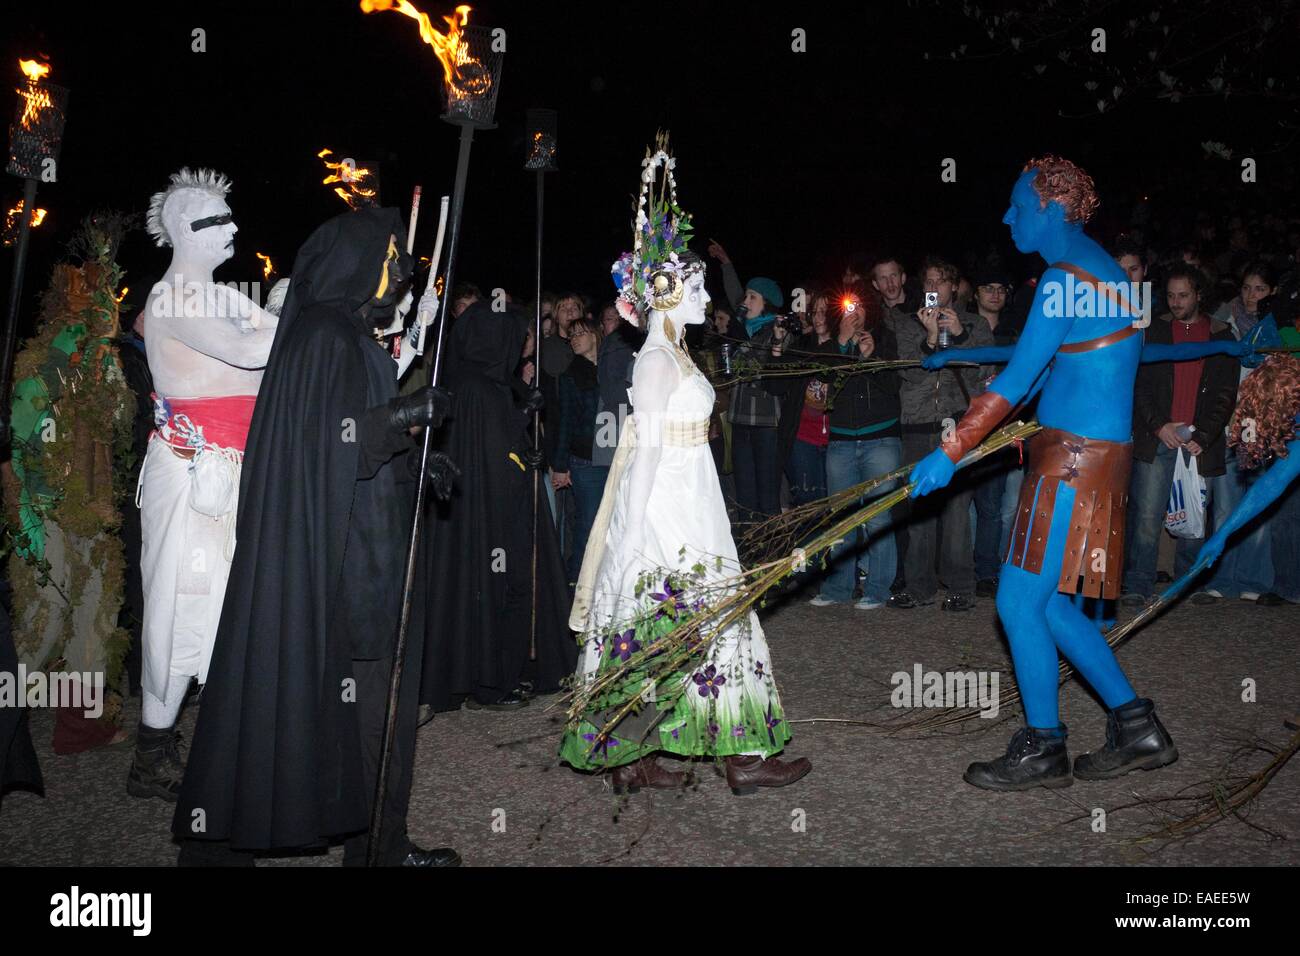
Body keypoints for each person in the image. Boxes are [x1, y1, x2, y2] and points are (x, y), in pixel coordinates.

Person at [174, 206, 461, 866]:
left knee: (371, 707)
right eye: (391, 260)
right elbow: (341, 441)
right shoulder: (326, 337)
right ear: (355, 265)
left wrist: (417, 455)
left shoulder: (341, 334)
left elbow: (352, 437)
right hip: (346, 559)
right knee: (361, 705)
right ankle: (370, 849)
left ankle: (379, 846)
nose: (400, 272)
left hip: (360, 543)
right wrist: (403, 418)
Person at [909, 155, 1179, 790]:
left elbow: (1014, 382)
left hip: (1072, 465)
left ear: (1053, 210)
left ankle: (1043, 747)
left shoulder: (1064, 280)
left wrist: (950, 454)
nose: (1007, 217)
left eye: (1018, 207)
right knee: (1053, 607)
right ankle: (1138, 728)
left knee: (1015, 601)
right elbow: (1070, 372)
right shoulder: (1103, 274)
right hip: (1091, 458)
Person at [562, 139, 810, 795]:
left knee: (686, 621)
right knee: (691, 617)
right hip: (671, 509)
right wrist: (629, 539)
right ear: (668, 295)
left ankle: (660, 757)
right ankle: (728, 757)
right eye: (694, 286)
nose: (704, 296)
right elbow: (640, 451)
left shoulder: (679, 353)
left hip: (695, 494)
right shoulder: (654, 360)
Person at [133, 168, 279, 799]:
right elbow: (253, 351)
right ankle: (152, 755)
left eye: (231, 216)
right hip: (193, 474)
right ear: (182, 232)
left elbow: (270, 336)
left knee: (228, 606)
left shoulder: (218, 294)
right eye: (216, 221)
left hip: (234, 471)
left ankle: (224, 742)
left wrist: (275, 315)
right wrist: (279, 314)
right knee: (181, 605)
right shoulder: (172, 300)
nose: (233, 229)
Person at [419, 303, 575, 712]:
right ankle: (493, 681)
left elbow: (503, 449)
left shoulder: (474, 383)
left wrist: (527, 445)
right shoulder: (479, 390)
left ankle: (496, 674)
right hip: (494, 519)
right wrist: (523, 418)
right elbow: (496, 453)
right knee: (503, 591)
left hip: (481, 515)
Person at [1121, 264, 1238, 607]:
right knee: (1146, 515)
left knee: (1195, 517)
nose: (1175, 301)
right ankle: (1138, 583)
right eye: (1171, 295)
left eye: (1183, 295)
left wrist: (1205, 433)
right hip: (1160, 435)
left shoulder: (1220, 335)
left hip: (1199, 439)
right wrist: (1159, 425)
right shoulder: (1153, 330)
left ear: (1199, 295)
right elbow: (1139, 384)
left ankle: (1189, 584)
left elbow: (1225, 393)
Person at [890, 256, 994, 612]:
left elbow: (985, 370)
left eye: (941, 282)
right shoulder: (907, 325)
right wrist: (930, 337)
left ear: (954, 287)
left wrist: (959, 336)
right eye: (929, 282)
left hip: (958, 425)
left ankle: (960, 588)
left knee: (955, 512)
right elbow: (909, 372)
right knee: (919, 509)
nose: (933, 289)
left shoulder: (975, 324)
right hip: (918, 423)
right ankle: (919, 587)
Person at [808, 288, 903, 610]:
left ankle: (876, 589)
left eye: (860, 305)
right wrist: (842, 345)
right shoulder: (830, 346)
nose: (854, 311)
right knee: (842, 518)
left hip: (881, 439)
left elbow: (894, 387)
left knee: (877, 517)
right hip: (842, 442)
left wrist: (873, 357)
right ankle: (837, 588)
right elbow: (822, 383)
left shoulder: (885, 338)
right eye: (849, 306)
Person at [707, 239, 785, 523]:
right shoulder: (744, 331)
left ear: (766, 303)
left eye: (752, 297)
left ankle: (772, 555)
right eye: (746, 296)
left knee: (767, 497)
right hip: (740, 421)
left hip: (766, 424)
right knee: (745, 497)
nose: (745, 301)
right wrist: (726, 264)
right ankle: (749, 556)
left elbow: (758, 367)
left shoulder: (775, 331)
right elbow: (733, 292)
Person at [552, 316, 610, 585]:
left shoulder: (613, 368)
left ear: (595, 335)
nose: (574, 338)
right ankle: (575, 584)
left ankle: (603, 583)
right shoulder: (571, 376)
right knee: (588, 525)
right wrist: (561, 466)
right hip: (585, 459)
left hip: (614, 454)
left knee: (613, 523)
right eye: (571, 335)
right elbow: (564, 420)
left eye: (580, 333)